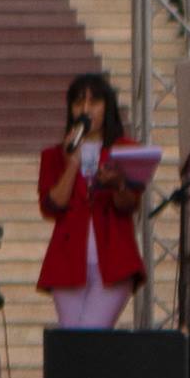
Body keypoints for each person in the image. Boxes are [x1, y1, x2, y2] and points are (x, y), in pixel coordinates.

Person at [37, 68, 145, 332]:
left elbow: (129, 204)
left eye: (94, 101)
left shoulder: (127, 149)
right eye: (78, 102)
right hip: (68, 260)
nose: (85, 108)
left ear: (106, 107)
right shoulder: (54, 155)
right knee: (72, 339)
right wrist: (72, 160)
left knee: (89, 335)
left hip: (114, 258)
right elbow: (53, 206)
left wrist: (117, 183)